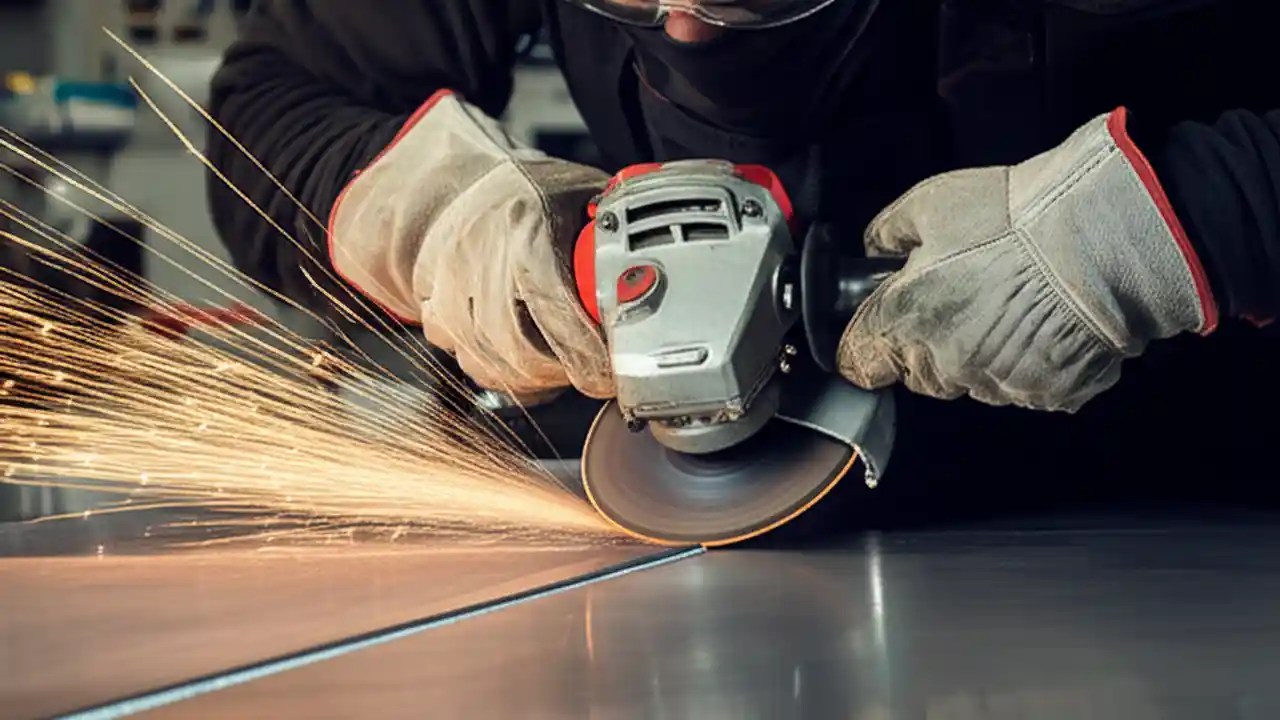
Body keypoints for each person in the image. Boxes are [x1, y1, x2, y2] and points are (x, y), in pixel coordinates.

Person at [206, 1, 1280, 519]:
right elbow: (269, 110)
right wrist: (442, 219)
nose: (683, 29)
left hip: (1205, 489)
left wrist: (1180, 220)